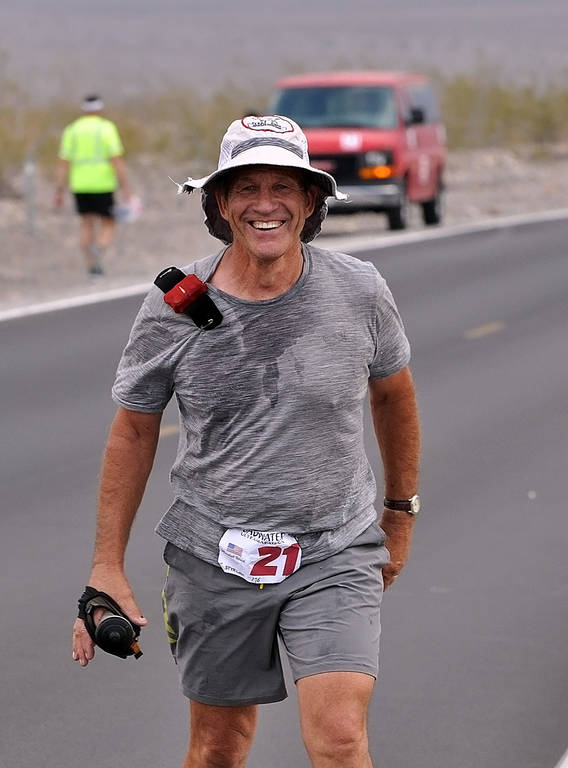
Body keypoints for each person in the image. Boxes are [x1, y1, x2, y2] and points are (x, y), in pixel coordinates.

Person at [71, 114, 421, 768]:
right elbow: (134, 429)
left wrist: (398, 516)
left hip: (333, 548)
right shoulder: (177, 304)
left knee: (342, 735)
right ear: (219, 204)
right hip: (215, 553)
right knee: (217, 749)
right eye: (246, 188)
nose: (266, 204)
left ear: (312, 200)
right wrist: (106, 564)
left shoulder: (359, 290)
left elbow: (394, 395)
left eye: (284, 186)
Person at [53, 94, 134, 275]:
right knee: (109, 222)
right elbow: (116, 160)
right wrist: (126, 187)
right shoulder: (106, 129)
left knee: (86, 223)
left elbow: (63, 162)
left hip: (80, 185)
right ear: (100, 109)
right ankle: (99, 247)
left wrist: (59, 190)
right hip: (102, 184)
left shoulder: (72, 130)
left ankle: (92, 265)